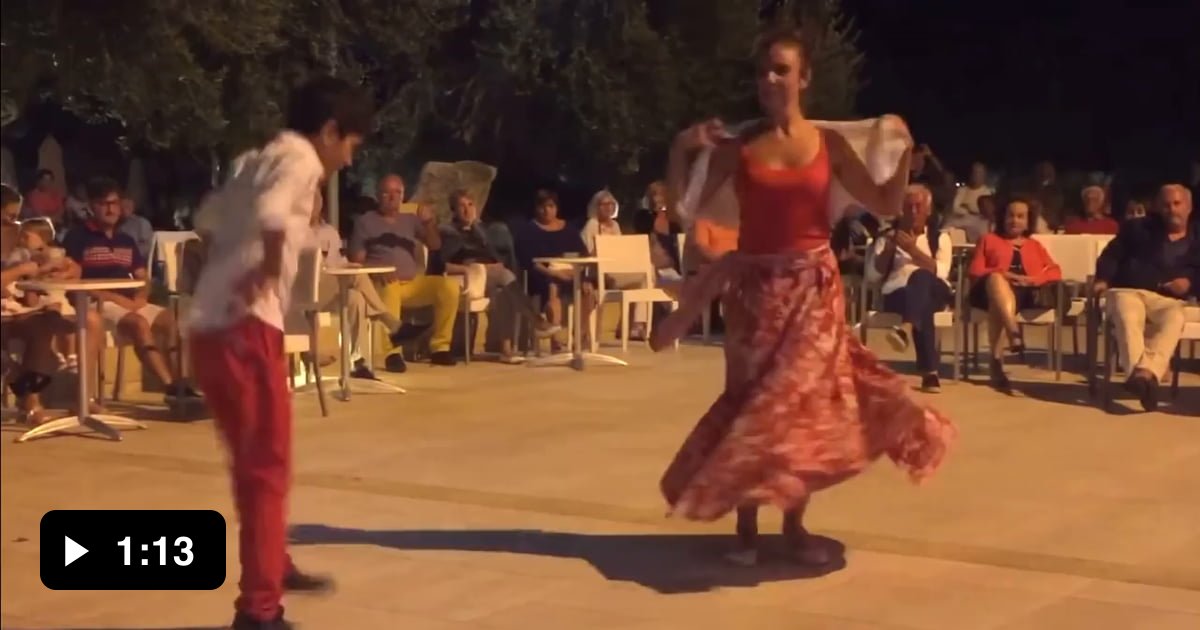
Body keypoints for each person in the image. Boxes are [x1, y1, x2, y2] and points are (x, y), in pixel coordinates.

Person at [648, 28, 954, 567]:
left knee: (805, 405)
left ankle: (792, 525)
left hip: (815, 287)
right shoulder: (739, 149)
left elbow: (884, 201)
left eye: (781, 70)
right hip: (756, 291)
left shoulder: (828, 145)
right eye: (764, 70)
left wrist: (904, 155)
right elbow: (682, 211)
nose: (770, 79)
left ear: (803, 79)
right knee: (755, 401)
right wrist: (680, 149)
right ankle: (746, 528)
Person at [187, 76, 374, 630]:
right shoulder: (301, 159)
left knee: (252, 466)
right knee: (268, 467)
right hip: (247, 329)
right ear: (330, 131)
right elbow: (272, 211)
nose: (347, 158)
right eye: (351, 145)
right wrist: (268, 268)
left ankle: (271, 563)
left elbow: (207, 220)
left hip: (210, 328)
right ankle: (260, 610)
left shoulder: (254, 158)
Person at [63, 177, 199, 403]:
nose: (110, 209)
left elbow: (142, 276)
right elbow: (75, 282)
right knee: (138, 324)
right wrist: (117, 299)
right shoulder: (78, 238)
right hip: (97, 303)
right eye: (104, 204)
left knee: (173, 322)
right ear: (92, 207)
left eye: (114, 203)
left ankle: (182, 385)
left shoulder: (126, 240)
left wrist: (141, 297)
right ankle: (170, 388)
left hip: (130, 302)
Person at [1094, 184, 1197, 411]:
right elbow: (1111, 255)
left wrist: (1189, 283)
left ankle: (1143, 378)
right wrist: (1102, 279)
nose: (1172, 210)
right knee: (1129, 315)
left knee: (1175, 319)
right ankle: (1146, 378)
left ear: (1189, 207)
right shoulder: (1138, 228)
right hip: (1128, 289)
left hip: (1169, 299)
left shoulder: (1197, 237)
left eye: (1177, 204)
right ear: (1158, 208)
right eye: (1166, 205)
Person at [349, 174, 460, 371]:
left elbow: (434, 244)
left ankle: (439, 348)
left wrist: (428, 223)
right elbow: (356, 262)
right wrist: (375, 272)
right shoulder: (365, 222)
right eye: (386, 193)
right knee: (389, 287)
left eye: (397, 193)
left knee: (449, 286)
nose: (392, 197)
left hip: (411, 283)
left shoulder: (411, 220)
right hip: (382, 283)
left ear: (403, 196)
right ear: (378, 195)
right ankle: (392, 353)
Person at [439, 189, 559, 363]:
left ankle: (507, 351)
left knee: (503, 291)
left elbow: (491, 252)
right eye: (462, 206)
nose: (467, 210)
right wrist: (474, 266)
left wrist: (476, 229)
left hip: (486, 276)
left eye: (470, 205)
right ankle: (536, 320)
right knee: (506, 276)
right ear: (453, 210)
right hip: (465, 277)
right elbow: (445, 260)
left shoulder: (480, 230)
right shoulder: (448, 231)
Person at [966, 197, 1062, 392]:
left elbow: (1055, 271)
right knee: (996, 281)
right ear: (1002, 217)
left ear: (1028, 221)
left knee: (998, 305)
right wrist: (1002, 273)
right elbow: (975, 270)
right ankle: (1013, 332)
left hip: (1025, 293)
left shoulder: (1034, 245)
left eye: (1020, 216)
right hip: (987, 291)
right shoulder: (988, 240)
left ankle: (996, 362)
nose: (1014, 220)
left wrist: (1032, 279)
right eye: (1010, 215)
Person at [866, 184, 953, 392]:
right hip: (898, 294)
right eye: (908, 207)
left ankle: (906, 327)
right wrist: (888, 250)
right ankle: (930, 373)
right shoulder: (887, 236)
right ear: (900, 209)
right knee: (924, 306)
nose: (913, 212)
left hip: (936, 289)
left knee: (921, 276)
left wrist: (912, 251)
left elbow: (942, 271)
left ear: (928, 210)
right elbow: (872, 276)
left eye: (918, 206)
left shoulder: (939, 238)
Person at [310, 189, 405, 380]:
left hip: (328, 289)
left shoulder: (329, 232)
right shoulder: (294, 232)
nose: (314, 204)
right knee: (357, 277)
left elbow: (336, 262)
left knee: (356, 298)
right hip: (304, 291)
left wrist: (347, 265)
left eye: (317, 200)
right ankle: (389, 321)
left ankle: (358, 362)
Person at [514, 189, 596, 351]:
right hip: (541, 276)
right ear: (536, 208)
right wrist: (554, 273)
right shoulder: (528, 231)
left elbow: (582, 256)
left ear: (556, 208)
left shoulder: (569, 229)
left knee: (587, 289)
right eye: (542, 207)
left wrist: (576, 273)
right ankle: (555, 335)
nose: (547, 210)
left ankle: (580, 335)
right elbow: (529, 262)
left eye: (551, 206)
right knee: (552, 285)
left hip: (570, 273)